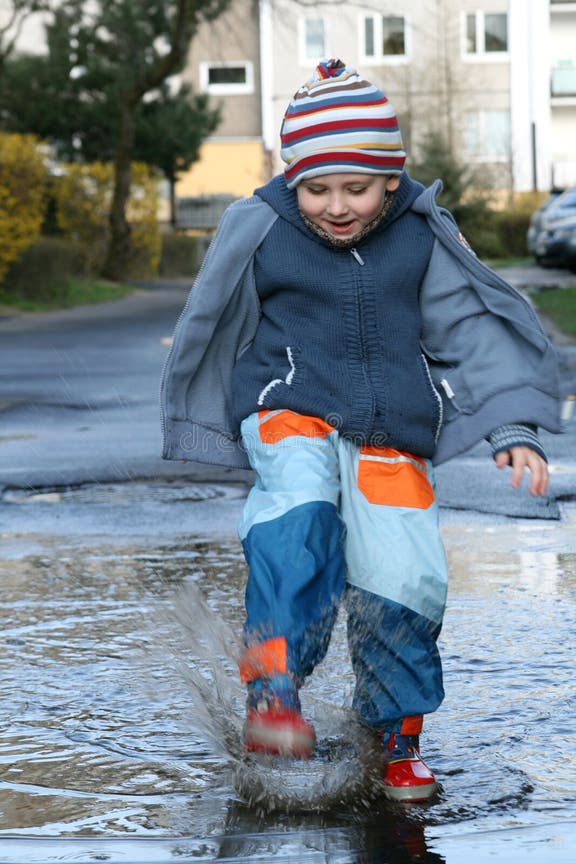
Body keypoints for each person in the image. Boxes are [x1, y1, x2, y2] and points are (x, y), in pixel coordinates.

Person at [160, 59, 562, 802]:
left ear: (391, 176)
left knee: (405, 577)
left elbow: (471, 327)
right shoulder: (267, 227)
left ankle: (395, 739)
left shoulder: (418, 234)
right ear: (293, 179)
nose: (336, 207)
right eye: (316, 188)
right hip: (290, 409)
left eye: (357, 188)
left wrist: (512, 423)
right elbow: (211, 318)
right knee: (300, 520)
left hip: (390, 432)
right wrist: (201, 423)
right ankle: (274, 692)